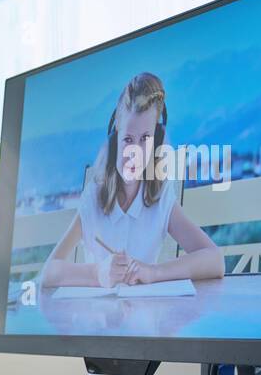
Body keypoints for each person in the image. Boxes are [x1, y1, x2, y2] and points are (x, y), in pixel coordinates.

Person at [39, 72, 224, 289]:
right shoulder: (94, 197)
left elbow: (215, 260)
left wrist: (153, 272)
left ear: (156, 142)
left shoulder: (161, 198)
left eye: (145, 139)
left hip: (143, 319)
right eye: (128, 139)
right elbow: (48, 273)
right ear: (114, 141)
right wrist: (98, 273)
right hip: (98, 319)